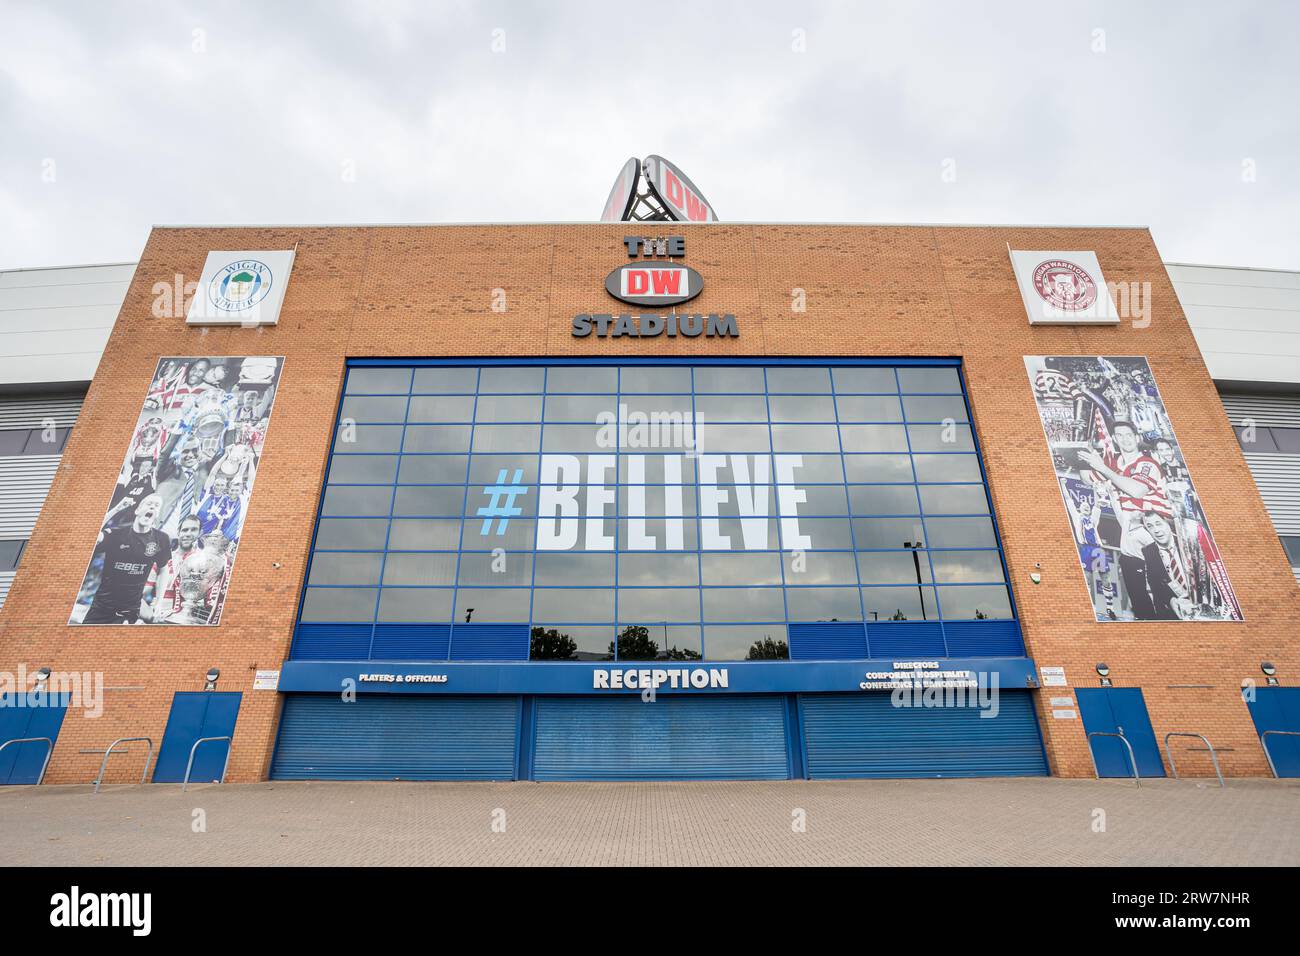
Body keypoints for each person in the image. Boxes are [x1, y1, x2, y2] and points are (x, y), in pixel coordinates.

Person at [82, 493, 172, 624]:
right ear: (137, 510)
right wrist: (116, 509)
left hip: (129, 611)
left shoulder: (161, 539)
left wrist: (159, 602)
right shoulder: (117, 534)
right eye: (148, 503)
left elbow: (163, 570)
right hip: (101, 608)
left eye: (156, 505)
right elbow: (90, 536)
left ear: (157, 514)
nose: (152, 506)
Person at [148, 515, 203, 622]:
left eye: (194, 530)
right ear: (178, 533)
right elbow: (145, 592)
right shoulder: (162, 559)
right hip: (158, 617)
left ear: (200, 533)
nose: (188, 534)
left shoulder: (205, 561)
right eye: (185, 530)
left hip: (189, 620)